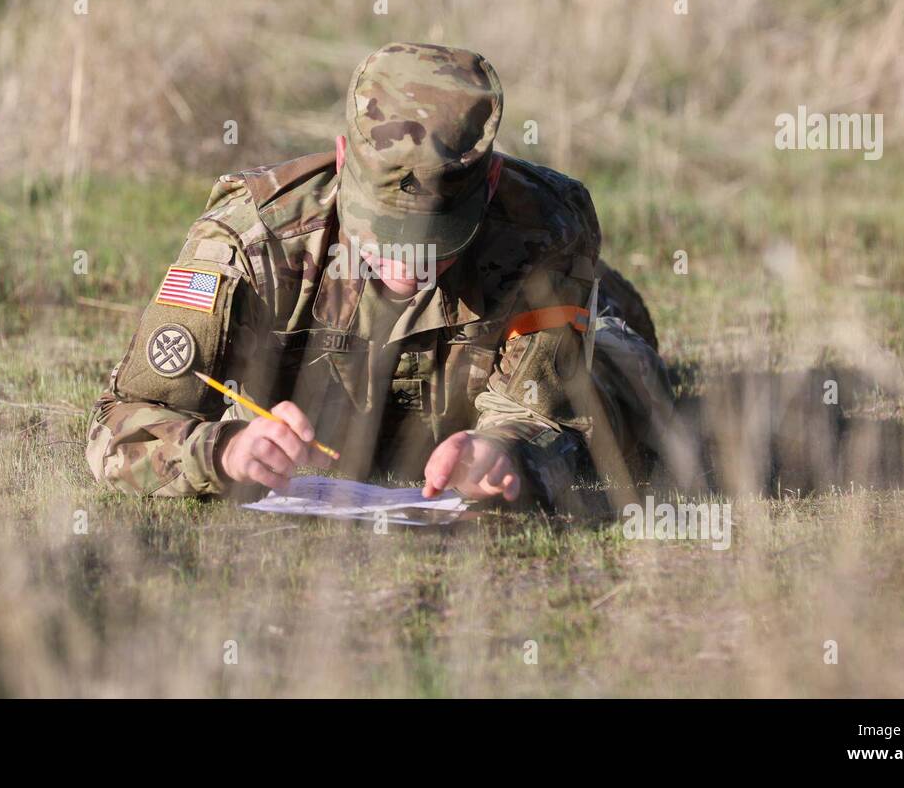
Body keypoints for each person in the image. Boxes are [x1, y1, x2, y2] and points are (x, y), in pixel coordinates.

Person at [85, 42, 670, 511]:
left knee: (628, 378)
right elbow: (122, 424)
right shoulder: (249, 239)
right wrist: (223, 452)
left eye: (433, 240)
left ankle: (605, 310)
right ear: (342, 161)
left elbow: (552, 416)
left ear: (490, 184)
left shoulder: (545, 231)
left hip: (520, 367)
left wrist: (502, 451)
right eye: (380, 230)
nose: (402, 261)